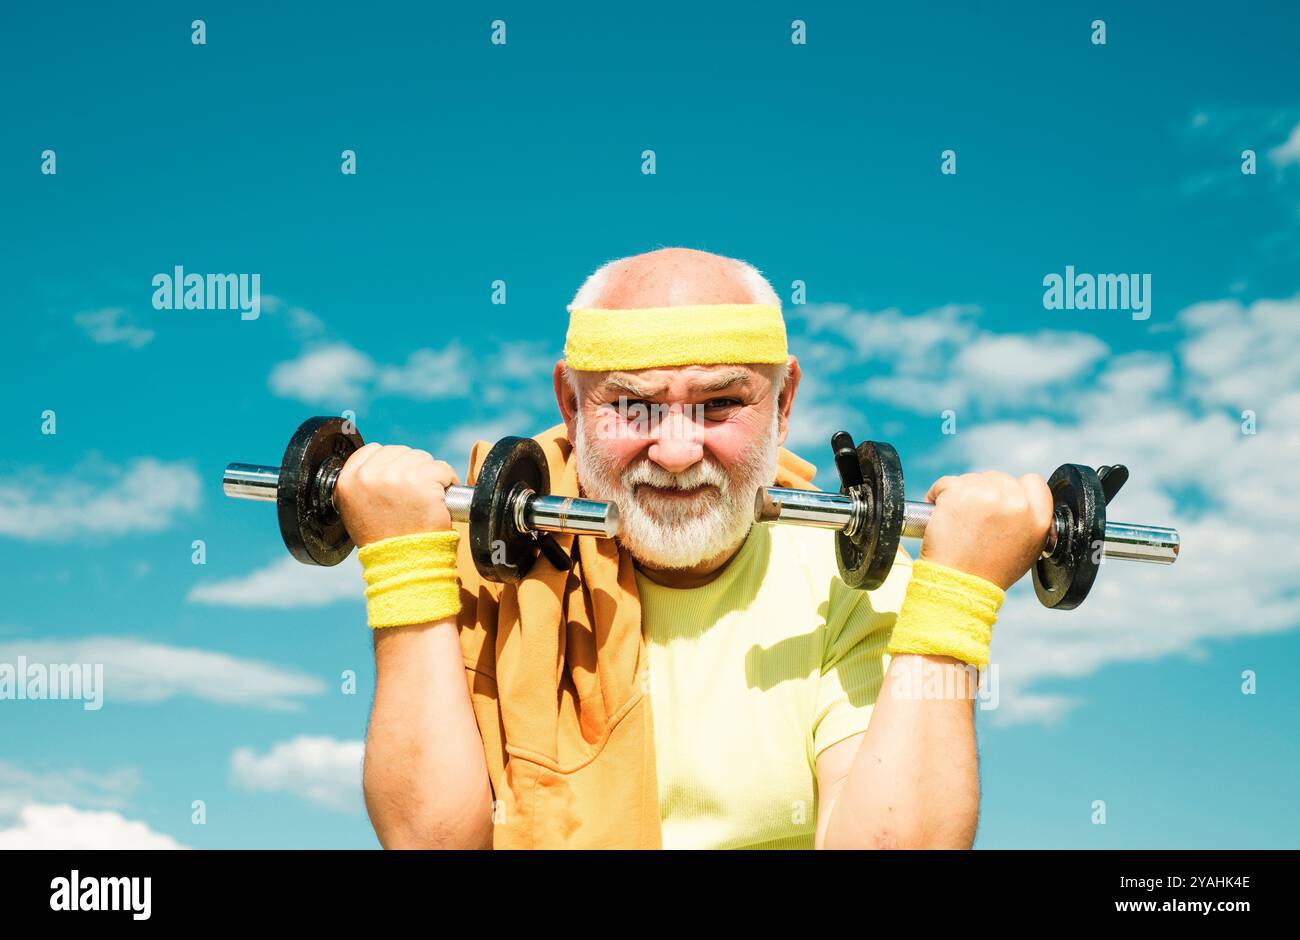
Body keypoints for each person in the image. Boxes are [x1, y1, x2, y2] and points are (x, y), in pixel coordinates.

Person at [335, 247, 1054, 849]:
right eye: (631, 406)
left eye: (718, 405)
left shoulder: (856, 582)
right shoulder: (474, 560)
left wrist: (959, 600)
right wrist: (401, 567)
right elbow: (430, 839)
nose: (676, 452)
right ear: (571, 403)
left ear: (783, 403)